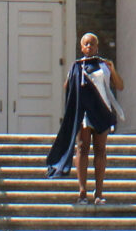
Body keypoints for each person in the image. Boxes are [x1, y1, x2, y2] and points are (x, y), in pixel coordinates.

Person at [43, 33, 123, 205]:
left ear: (97, 47)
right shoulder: (76, 67)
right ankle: (82, 191)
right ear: (81, 47)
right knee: (82, 148)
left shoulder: (104, 66)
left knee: (100, 150)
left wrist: (113, 69)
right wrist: (72, 75)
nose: (89, 47)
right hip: (84, 114)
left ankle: (99, 192)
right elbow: (67, 88)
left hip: (101, 110)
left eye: (92, 44)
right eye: (86, 44)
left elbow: (119, 85)